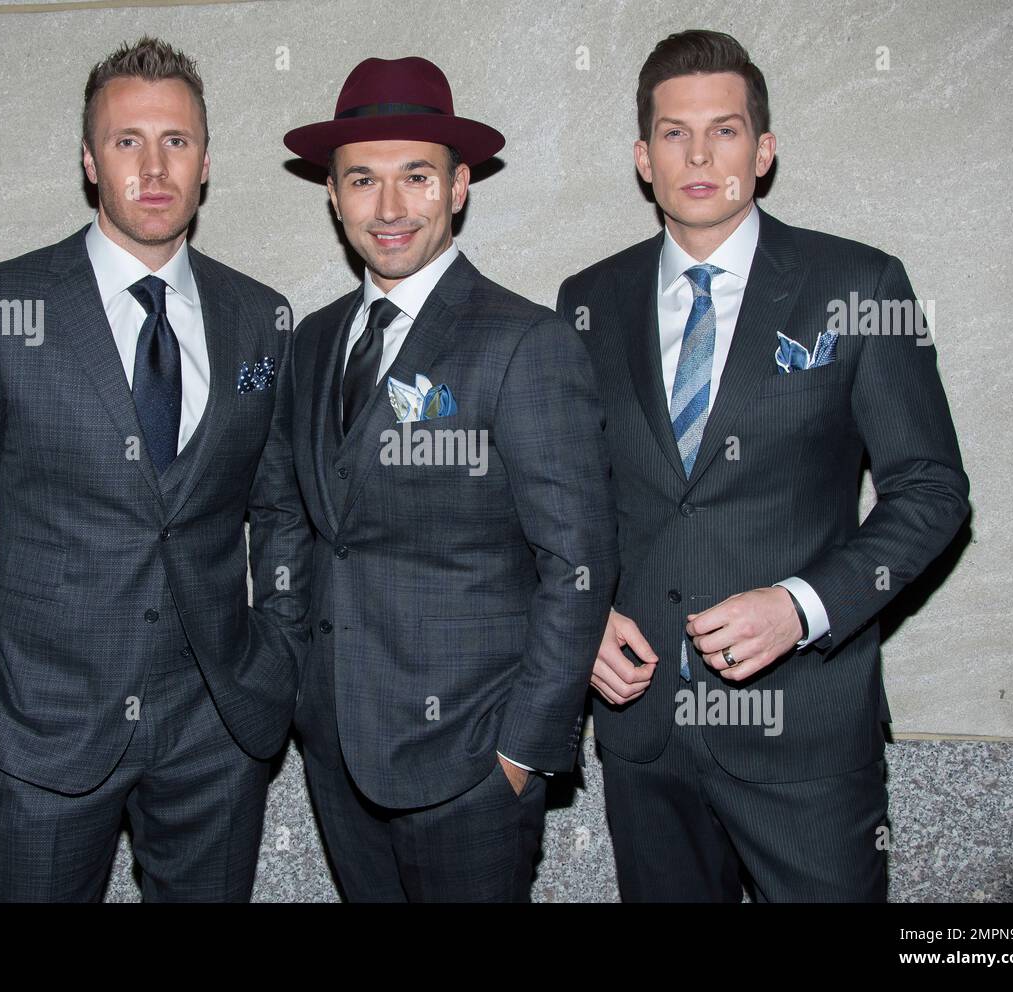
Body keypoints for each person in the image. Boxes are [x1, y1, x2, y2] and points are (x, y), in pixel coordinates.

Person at [557, 29, 969, 901]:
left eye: (726, 129)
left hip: (805, 732)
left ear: (765, 148)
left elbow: (931, 491)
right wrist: (583, 616)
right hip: (643, 732)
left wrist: (800, 606)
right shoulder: (588, 300)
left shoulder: (859, 284)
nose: (700, 153)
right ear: (643, 158)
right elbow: (572, 497)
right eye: (674, 133)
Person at [0, 36, 310, 901]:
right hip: (39, 731)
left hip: (217, 729)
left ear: (206, 162)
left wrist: (275, 657)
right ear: (90, 162)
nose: (154, 165)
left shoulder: (261, 321)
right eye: (127, 141)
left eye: (177, 141)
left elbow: (281, 510)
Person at [283, 56, 617, 901]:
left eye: (416, 178)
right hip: (335, 746)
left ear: (459, 186)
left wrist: (520, 753)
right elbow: (301, 524)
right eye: (363, 180)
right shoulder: (315, 341)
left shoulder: (523, 343)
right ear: (333, 195)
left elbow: (578, 562)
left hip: (470, 763)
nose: (389, 209)